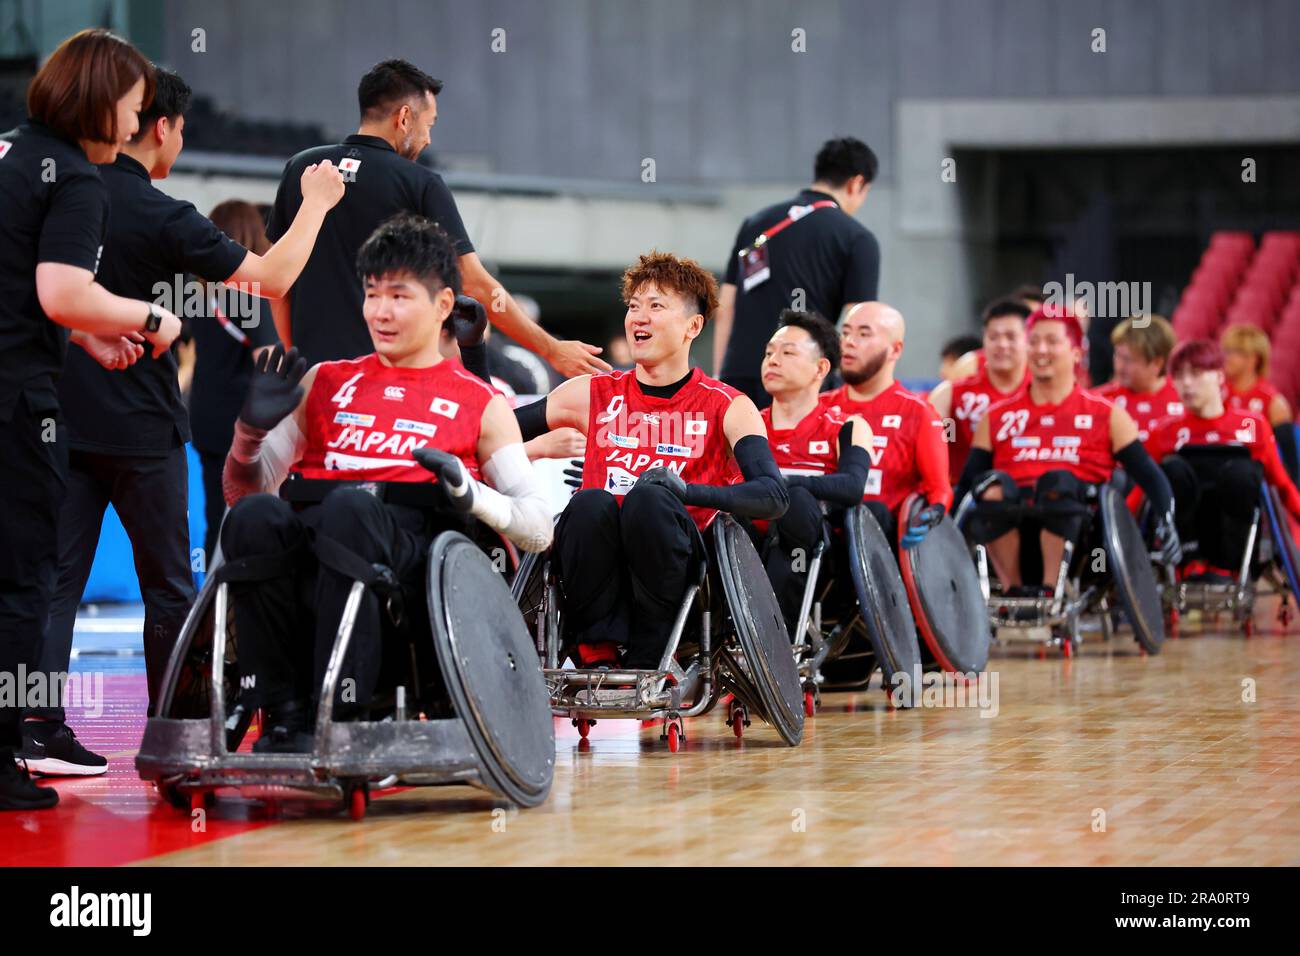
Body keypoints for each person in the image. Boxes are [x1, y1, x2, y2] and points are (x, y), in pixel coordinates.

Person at [19, 70, 344, 777]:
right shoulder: (160, 211)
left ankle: (37, 730)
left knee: (53, 584)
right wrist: (316, 204)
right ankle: (178, 733)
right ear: (159, 126)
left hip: (57, 423)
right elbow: (274, 278)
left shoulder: (52, 186)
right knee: (170, 586)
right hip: (142, 434)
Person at [219, 213, 551, 751]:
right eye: (373, 294)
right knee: (257, 518)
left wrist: (470, 493)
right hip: (313, 543)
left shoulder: (481, 402)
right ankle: (282, 714)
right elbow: (242, 494)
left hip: (406, 561)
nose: (381, 311)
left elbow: (539, 526)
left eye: (399, 296)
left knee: (351, 510)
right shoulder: (324, 380)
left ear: (443, 304)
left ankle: (344, 711)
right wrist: (247, 436)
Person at [0, 29, 183, 810]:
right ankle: (8, 757)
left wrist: (86, 330)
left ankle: (28, 734)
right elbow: (59, 289)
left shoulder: (9, 152)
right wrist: (149, 318)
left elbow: (27, 281)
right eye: (134, 108)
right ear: (104, 102)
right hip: (21, 404)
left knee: (39, 585)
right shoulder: (74, 177)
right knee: (24, 585)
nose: (138, 123)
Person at [513, 251, 788, 669]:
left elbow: (773, 496)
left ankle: (654, 648)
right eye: (633, 306)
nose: (639, 317)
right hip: (596, 569)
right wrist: (474, 351)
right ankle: (595, 650)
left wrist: (687, 492)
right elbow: (493, 432)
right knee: (589, 502)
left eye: (656, 306)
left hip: (682, 579)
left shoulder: (728, 406)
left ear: (692, 326)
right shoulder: (591, 392)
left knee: (650, 499)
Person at [268, 59, 606, 377]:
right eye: (428, 125)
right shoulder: (420, 183)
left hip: (311, 377)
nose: (428, 138)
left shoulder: (302, 167)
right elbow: (474, 282)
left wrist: (293, 356)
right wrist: (551, 349)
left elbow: (277, 280)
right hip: (381, 381)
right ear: (404, 118)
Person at [959, 305, 1180, 594]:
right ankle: (1016, 593)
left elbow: (1151, 477)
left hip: (1082, 538)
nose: (1040, 350)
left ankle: (1052, 591)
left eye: (1052, 342)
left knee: (1058, 482)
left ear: (1076, 352)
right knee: (991, 488)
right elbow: (965, 486)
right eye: (1034, 341)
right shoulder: (996, 417)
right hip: (1010, 526)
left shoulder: (1107, 415)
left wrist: (1166, 520)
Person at [713, 137, 881, 406]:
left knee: (738, 449)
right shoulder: (857, 238)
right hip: (801, 380)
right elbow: (857, 322)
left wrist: (720, 378)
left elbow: (725, 308)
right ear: (857, 183)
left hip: (738, 376)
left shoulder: (755, 223)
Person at [1142, 339, 1300, 583]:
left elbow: (1282, 486)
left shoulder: (1252, 426)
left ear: (1218, 376)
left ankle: (1230, 566)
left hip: (1235, 544)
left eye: (1195, 374)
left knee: (1240, 472)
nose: (1186, 384)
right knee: (1172, 470)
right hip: (1184, 545)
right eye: (1179, 375)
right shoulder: (1164, 432)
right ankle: (1190, 559)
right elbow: (1139, 494)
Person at [757, 311, 873, 633]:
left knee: (794, 502)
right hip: (748, 541)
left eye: (787, 352)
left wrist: (787, 482)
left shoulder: (847, 426)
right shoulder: (747, 423)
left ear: (820, 368)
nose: (773, 360)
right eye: (768, 353)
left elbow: (852, 486)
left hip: (816, 552)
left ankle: (777, 645)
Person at [190, 200, 283, 564]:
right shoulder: (250, 293)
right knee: (247, 517)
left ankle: (209, 601)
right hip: (242, 423)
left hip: (203, 414)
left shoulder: (199, 292)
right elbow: (269, 362)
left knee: (217, 514)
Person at [820, 303, 952, 541]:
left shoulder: (918, 413)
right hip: (818, 532)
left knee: (872, 514)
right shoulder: (819, 406)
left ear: (895, 349)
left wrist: (932, 513)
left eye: (863, 334)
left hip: (881, 544)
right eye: (846, 332)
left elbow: (939, 490)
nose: (849, 341)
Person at [928, 298, 1031, 483]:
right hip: (965, 494)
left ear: (1029, 339)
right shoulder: (951, 394)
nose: (1001, 344)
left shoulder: (1043, 390)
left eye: (1010, 336)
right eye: (993, 337)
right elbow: (930, 443)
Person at [1220, 323, 1298, 480]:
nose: (1226, 359)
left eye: (1233, 353)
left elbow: (1291, 464)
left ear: (1252, 359)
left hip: (1254, 476)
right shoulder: (1217, 392)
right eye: (1225, 352)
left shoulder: (1273, 402)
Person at [1093, 315, 1181, 442]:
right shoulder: (1098, 400)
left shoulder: (1184, 399)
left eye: (1128, 360)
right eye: (1117, 355)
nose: (1119, 366)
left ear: (1157, 363)